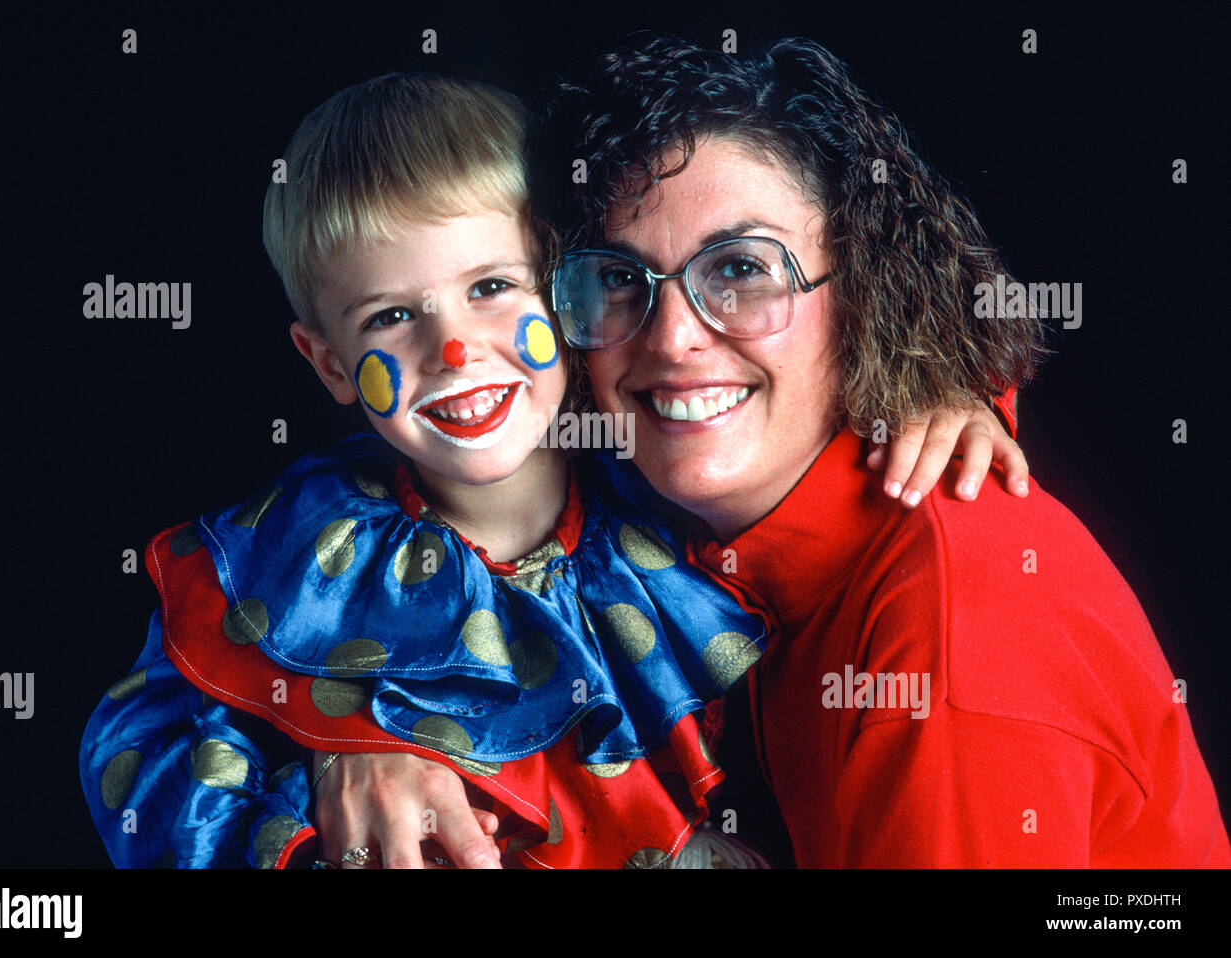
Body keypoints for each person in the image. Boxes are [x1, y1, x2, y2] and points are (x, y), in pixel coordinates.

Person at [77, 69, 1027, 870]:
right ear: (327, 363)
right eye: (389, 318)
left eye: (491, 288)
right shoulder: (292, 553)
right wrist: (328, 760)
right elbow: (134, 755)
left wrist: (947, 393)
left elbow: (820, 427)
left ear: (567, 288)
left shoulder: (658, 457)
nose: (455, 352)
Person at [353, 33, 1229, 867]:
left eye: (740, 268)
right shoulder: (649, 505)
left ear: (866, 288)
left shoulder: (944, 655)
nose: (673, 340)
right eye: (620, 279)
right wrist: (357, 737)